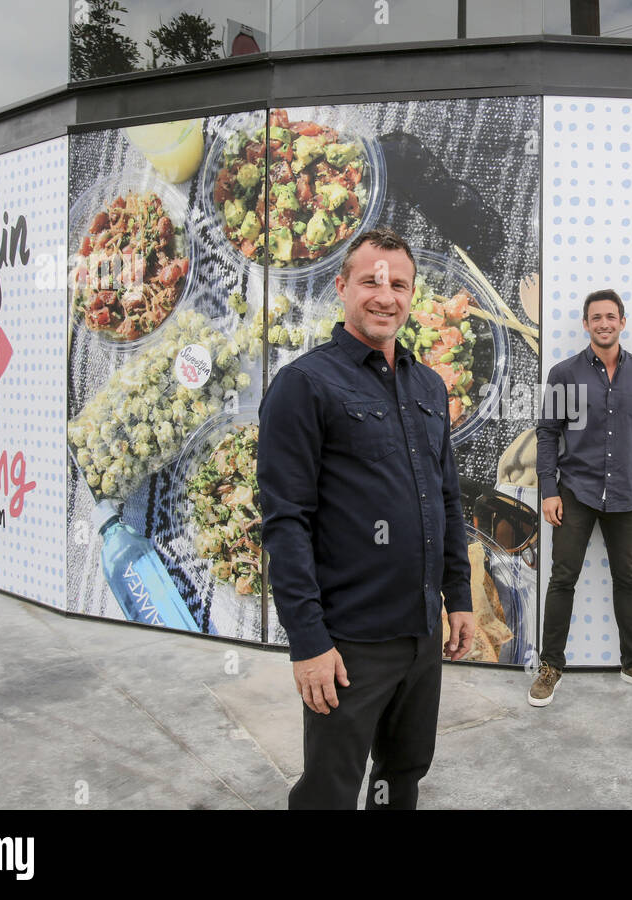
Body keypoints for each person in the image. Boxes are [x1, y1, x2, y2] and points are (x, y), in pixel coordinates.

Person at [258, 227, 474, 808]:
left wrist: (458, 596)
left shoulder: (428, 385)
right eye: (371, 281)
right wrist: (308, 642)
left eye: (399, 284)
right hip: (349, 643)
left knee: (402, 775)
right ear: (342, 287)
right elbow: (285, 521)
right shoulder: (304, 385)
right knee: (330, 788)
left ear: (411, 294)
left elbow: (446, 499)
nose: (386, 296)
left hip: (422, 632)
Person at [529, 288, 632, 706]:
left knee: (628, 579)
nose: (604, 323)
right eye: (596, 317)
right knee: (562, 579)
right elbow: (548, 433)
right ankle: (551, 666)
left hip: (629, 494)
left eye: (611, 316)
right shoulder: (564, 373)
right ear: (586, 324)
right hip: (576, 491)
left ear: (622, 322)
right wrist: (550, 490)